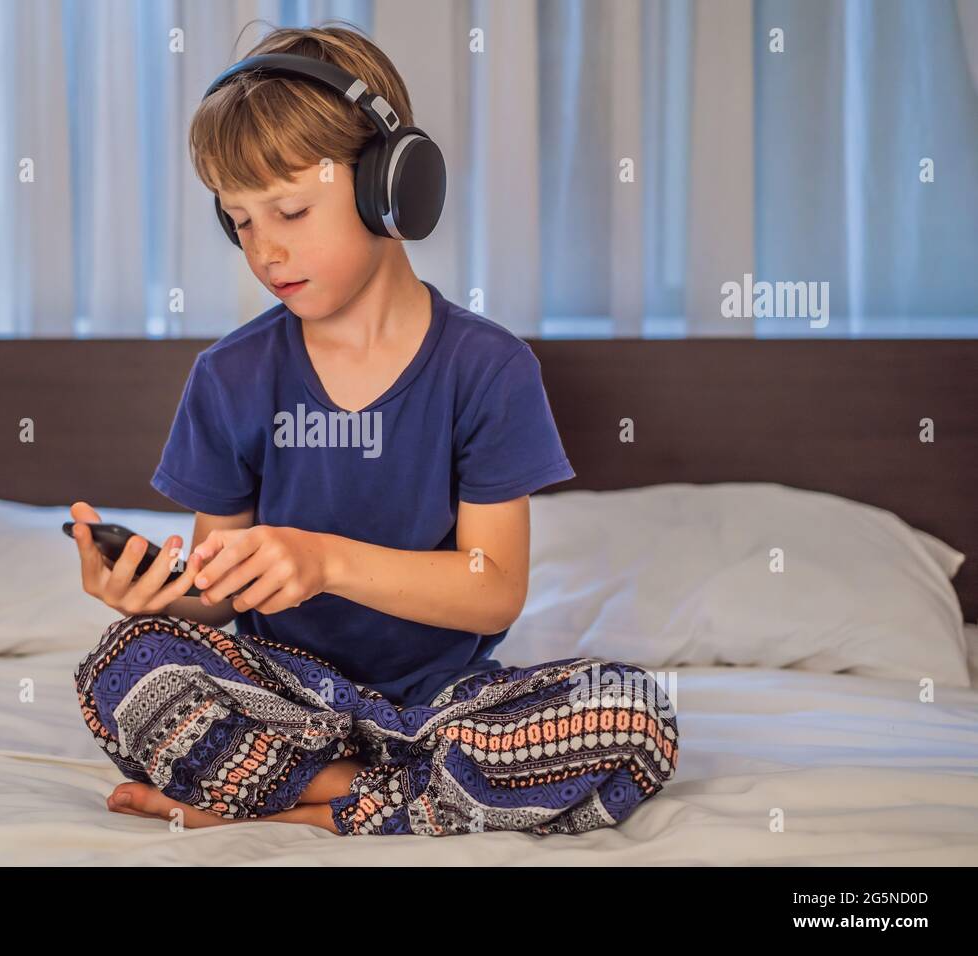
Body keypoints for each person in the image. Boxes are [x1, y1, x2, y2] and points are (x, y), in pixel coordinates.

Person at [71, 24, 678, 837]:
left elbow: (492, 586)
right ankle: (389, 796)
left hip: (440, 703)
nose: (265, 249)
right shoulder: (230, 377)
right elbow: (219, 592)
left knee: (632, 713)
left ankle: (294, 808)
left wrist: (324, 561)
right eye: (241, 221)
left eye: (290, 209)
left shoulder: (487, 367)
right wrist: (162, 599)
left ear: (390, 189)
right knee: (126, 662)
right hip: (279, 694)